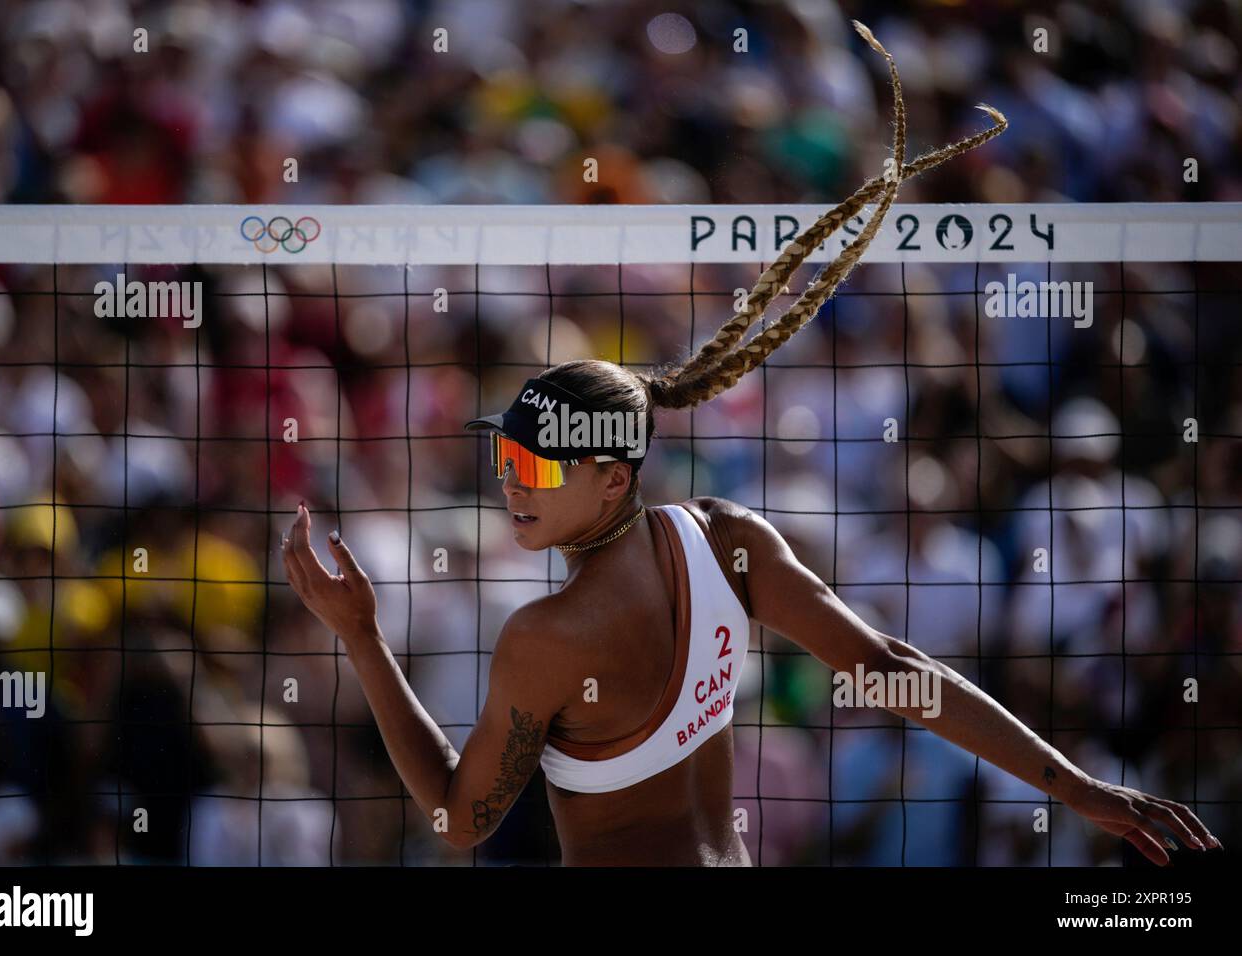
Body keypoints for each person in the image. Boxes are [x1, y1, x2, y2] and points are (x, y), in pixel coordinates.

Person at [280, 23, 1219, 866]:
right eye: (505, 463)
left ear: (611, 479)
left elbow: (456, 823)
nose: (508, 486)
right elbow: (897, 674)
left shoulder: (547, 638)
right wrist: (1081, 789)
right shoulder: (728, 540)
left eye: (531, 467)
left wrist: (362, 637)